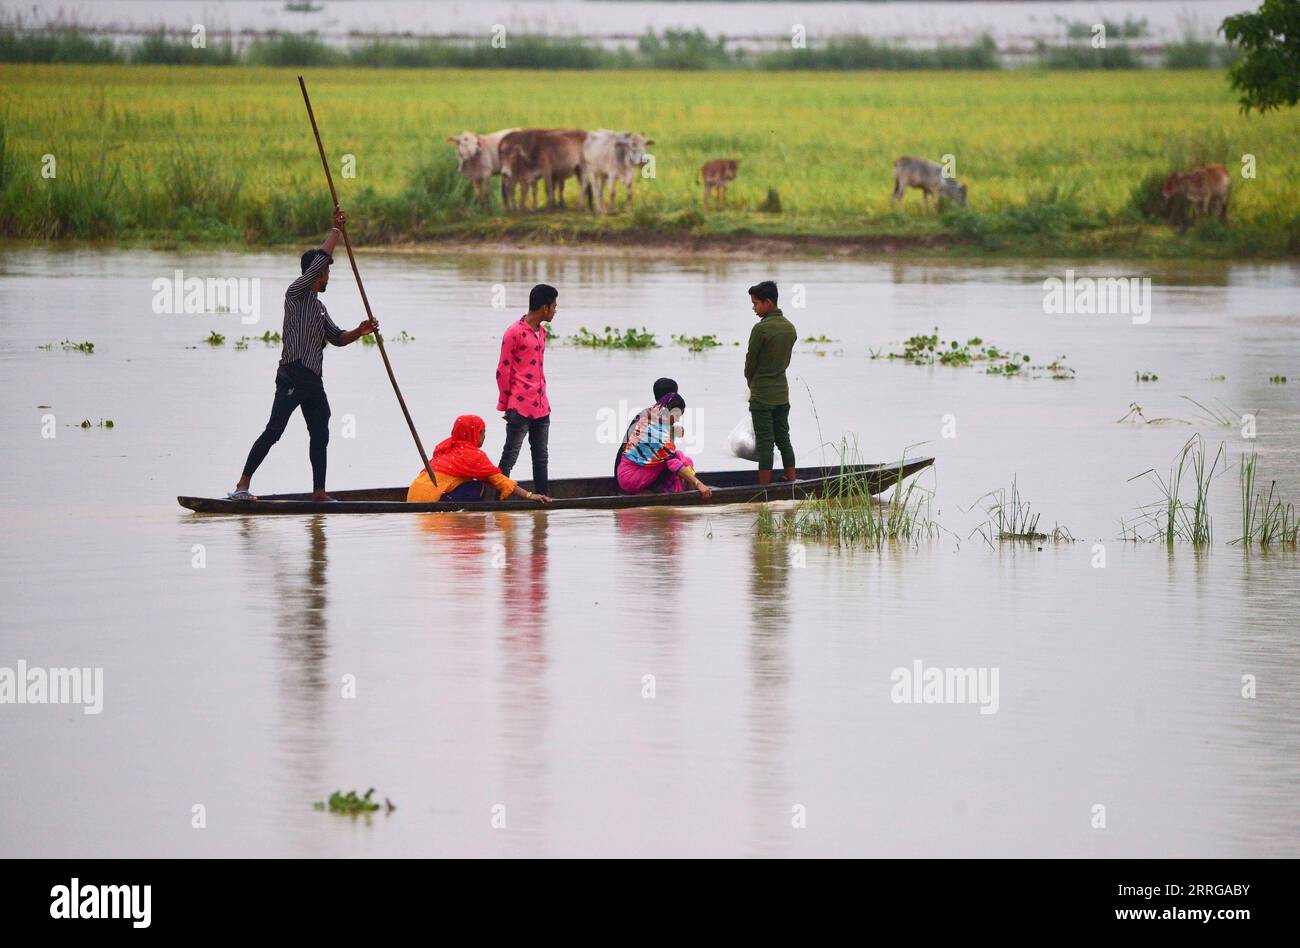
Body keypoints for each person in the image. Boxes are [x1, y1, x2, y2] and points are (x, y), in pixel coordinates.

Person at [230, 207, 377, 502]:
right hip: (293, 373)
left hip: (312, 380)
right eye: (326, 272)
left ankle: (319, 493)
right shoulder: (295, 294)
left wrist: (360, 331)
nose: (328, 277)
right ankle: (241, 487)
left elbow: (336, 338)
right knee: (274, 430)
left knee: (321, 429)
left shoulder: (320, 308)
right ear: (316, 273)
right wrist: (336, 229)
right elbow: (319, 260)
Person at [407, 415, 550, 504]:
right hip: (433, 500)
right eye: (483, 432)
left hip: (413, 495)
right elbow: (500, 480)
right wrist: (529, 495)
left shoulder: (446, 446)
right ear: (476, 433)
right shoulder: (472, 455)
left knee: (471, 480)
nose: (484, 437)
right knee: (479, 487)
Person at [496, 284, 555, 496]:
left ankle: (543, 500)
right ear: (544, 308)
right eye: (554, 306)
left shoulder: (542, 332)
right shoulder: (514, 332)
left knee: (541, 457)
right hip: (519, 406)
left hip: (541, 406)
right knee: (509, 456)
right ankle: (495, 503)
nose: (556, 310)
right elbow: (503, 371)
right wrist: (505, 405)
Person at [743, 280, 797, 485]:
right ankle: (791, 480)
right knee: (783, 438)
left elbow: (751, 361)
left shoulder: (761, 329)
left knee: (765, 443)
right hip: (782, 392)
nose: (754, 308)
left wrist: (750, 381)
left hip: (762, 395)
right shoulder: (790, 328)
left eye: (756, 303)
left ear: (768, 302)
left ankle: (764, 489)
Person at [616, 392, 713, 498]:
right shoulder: (657, 432)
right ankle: (688, 488)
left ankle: (685, 486)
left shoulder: (649, 416)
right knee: (679, 460)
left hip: (627, 473)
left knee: (680, 458)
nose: (678, 420)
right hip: (631, 478)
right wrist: (698, 483)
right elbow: (672, 462)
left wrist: (673, 431)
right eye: (677, 416)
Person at [613, 377, 679, 476]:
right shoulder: (659, 419)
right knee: (676, 460)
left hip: (622, 468)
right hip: (634, 470)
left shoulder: (645, 413)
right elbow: (667, 454)